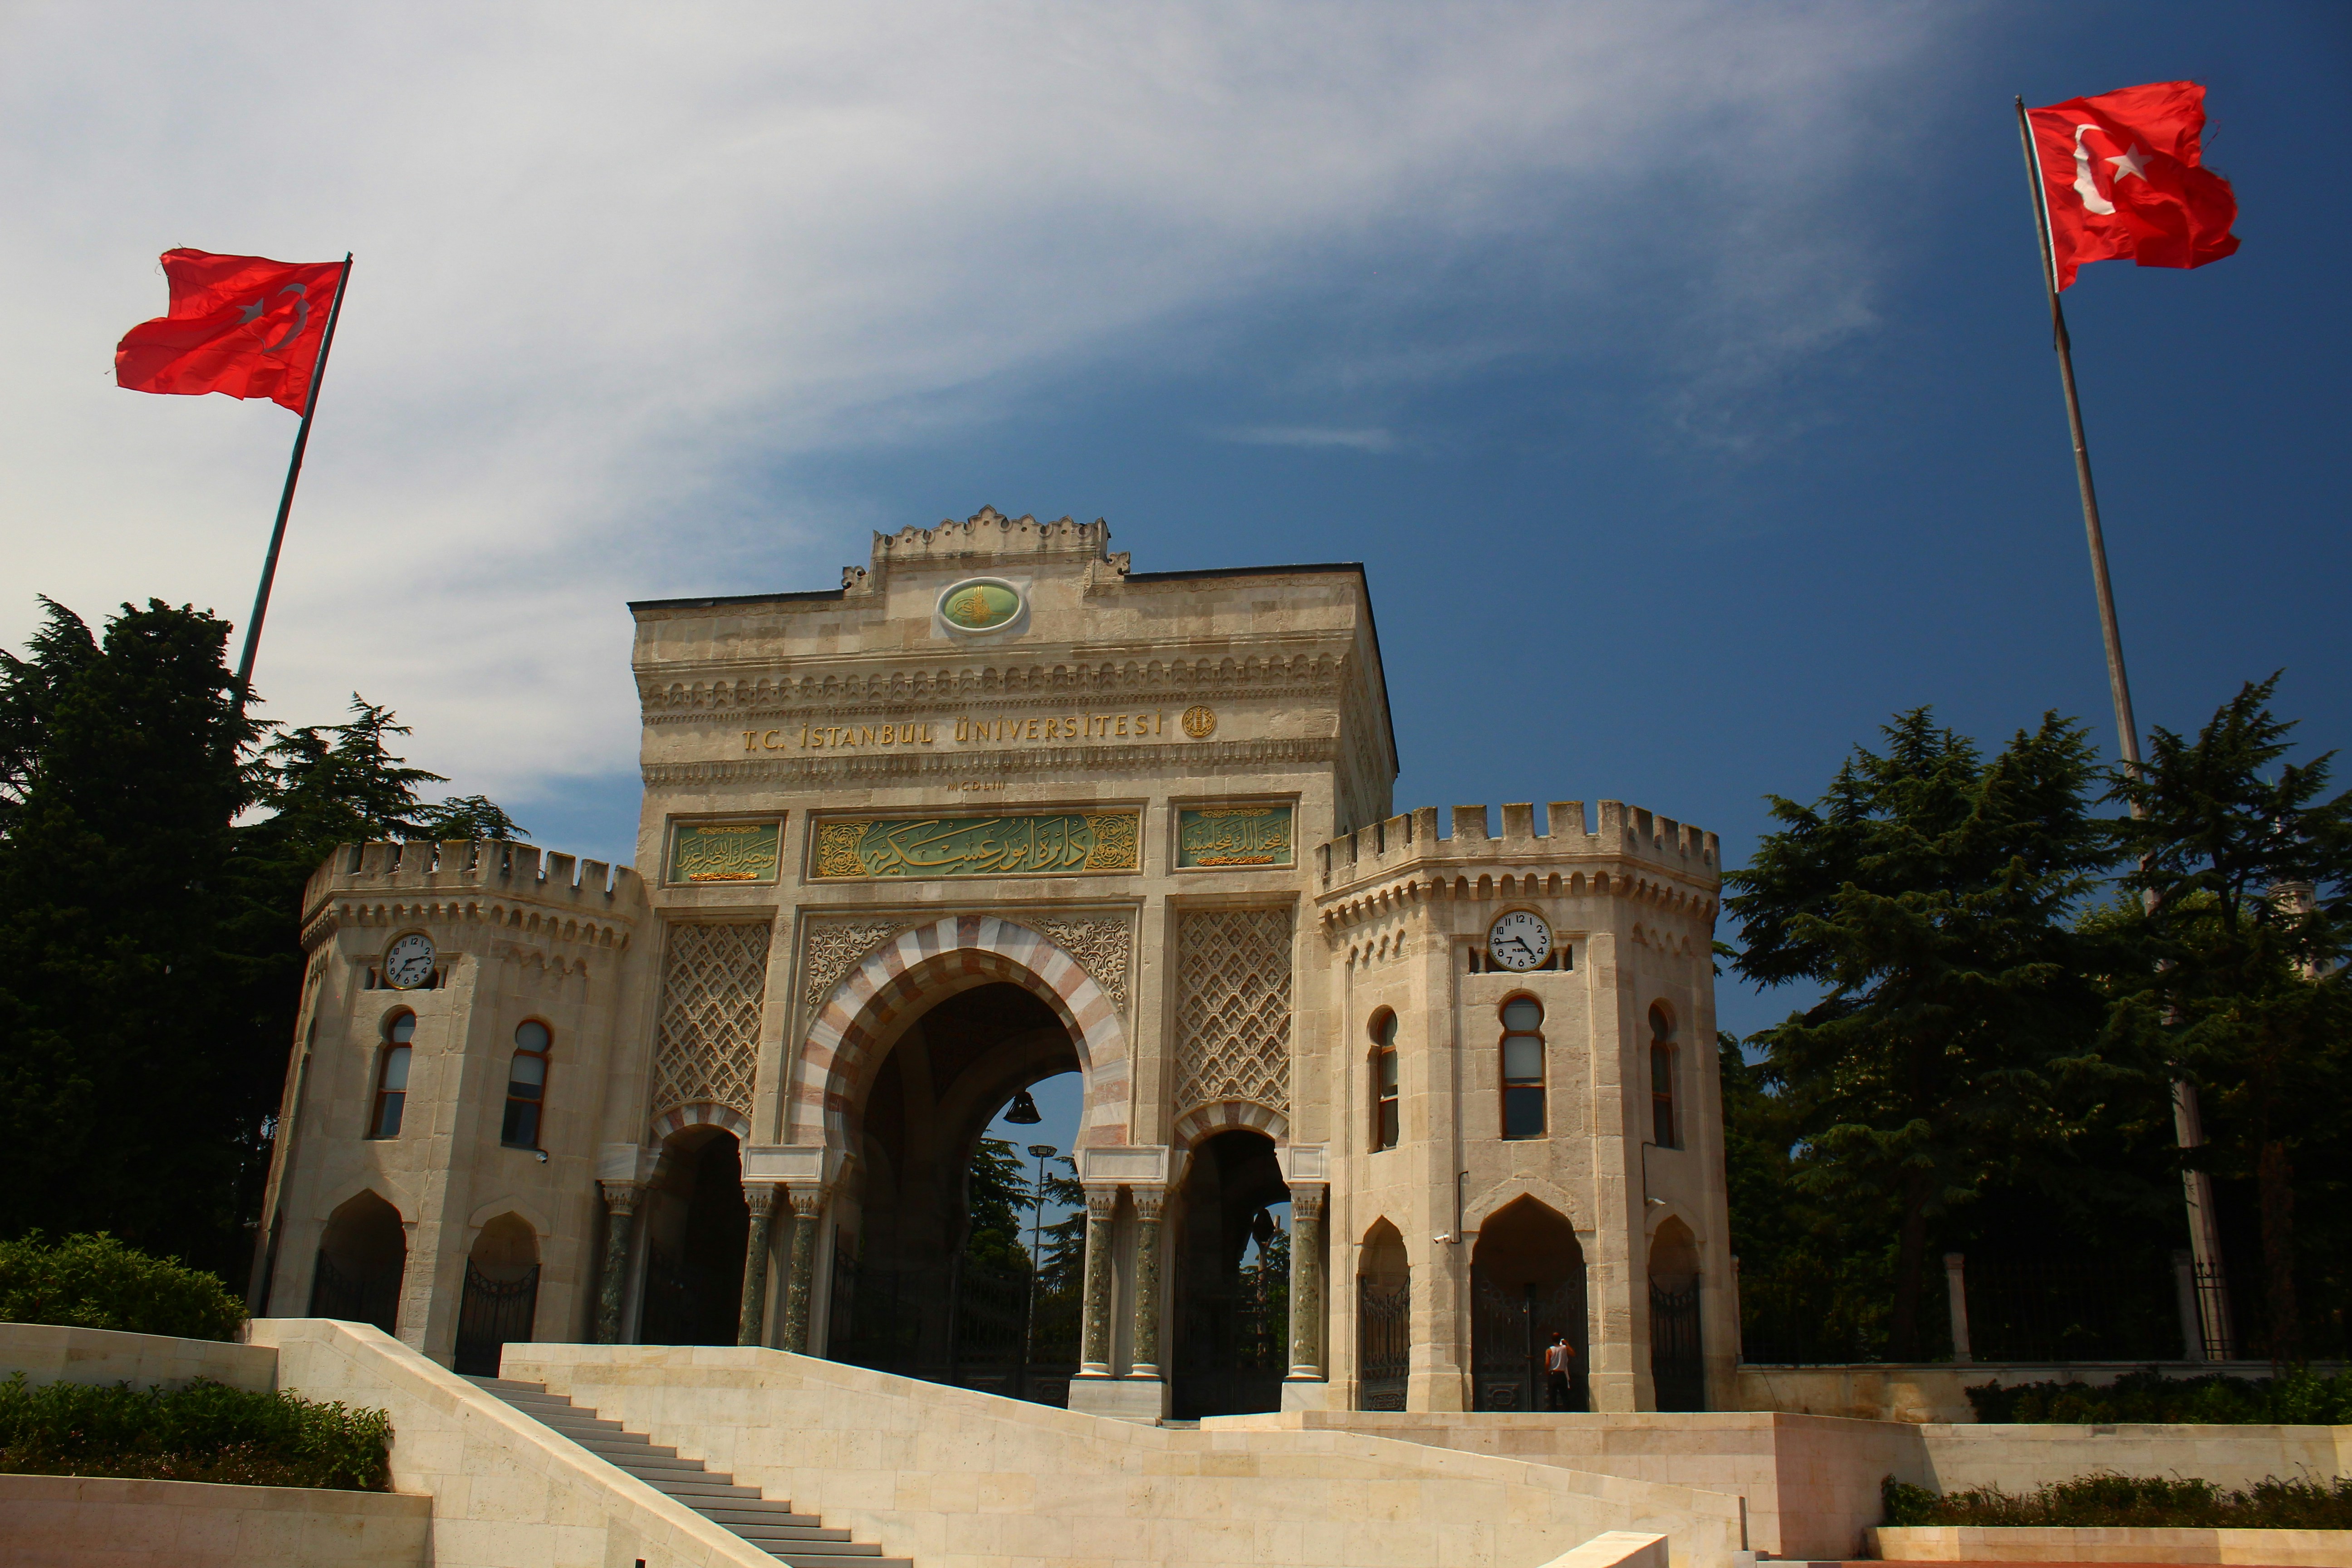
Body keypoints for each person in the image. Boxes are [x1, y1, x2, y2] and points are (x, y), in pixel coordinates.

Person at [1544, 1332, 1576, 1411]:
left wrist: (1547, 1371)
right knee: (1565, 1396)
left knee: (1552, 1397)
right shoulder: (1564, 1349)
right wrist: (1567, 1343)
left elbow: (1547, 1363)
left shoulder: (1549, 1351)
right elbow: (1573, 1354)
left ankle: (1554, 1413)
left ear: (1552, 1340)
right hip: (1561, 1374)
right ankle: (1567, 1412)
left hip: (1553, 1374)